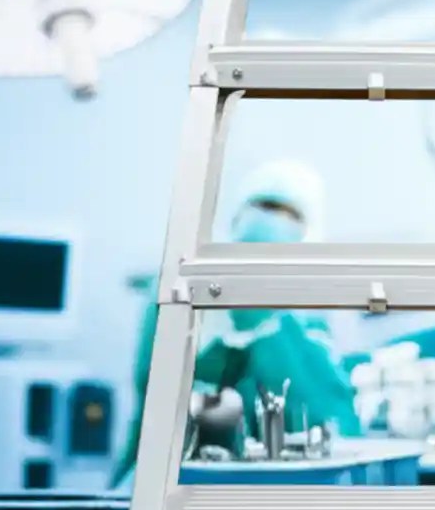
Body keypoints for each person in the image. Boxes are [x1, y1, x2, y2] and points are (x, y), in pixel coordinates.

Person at [111, 160, 362, 488]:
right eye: (264, 207)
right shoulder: (185, 288)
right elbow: (155, 396)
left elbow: (332, 423)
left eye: (289, 215)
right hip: (166, 482)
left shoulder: (306, 327)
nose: (273, 222)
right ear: (237, 217)